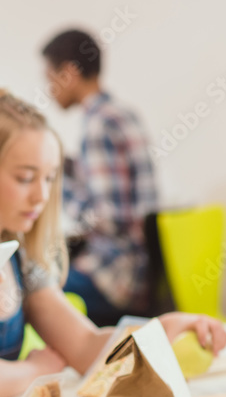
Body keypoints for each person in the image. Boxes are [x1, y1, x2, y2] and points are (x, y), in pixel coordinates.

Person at [0, 86, 226, 397]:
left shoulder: (18, 257)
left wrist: (165, 329)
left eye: (49, 178)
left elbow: (86, 347)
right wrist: (33, 371)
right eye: (25, 178)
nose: (41, 196)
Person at [41, 29, 158, 326]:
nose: (49, 89)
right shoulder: (122, 113)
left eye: (50, 78)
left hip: (116, 278)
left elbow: (110, 219)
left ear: (68, 73)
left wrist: (59, 184)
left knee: (36, 290)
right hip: (142, 269)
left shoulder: (97, 127)